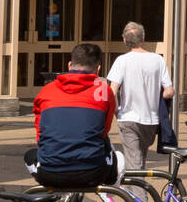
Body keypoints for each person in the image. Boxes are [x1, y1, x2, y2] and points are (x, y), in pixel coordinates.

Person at [26, 43, 120, 188]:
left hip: (49, 172)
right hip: (92, 172)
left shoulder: (46, 91)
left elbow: (40, 134)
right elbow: (104, 131)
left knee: (29, 155)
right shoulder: (103, 91)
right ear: (98, 68)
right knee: (110, 151)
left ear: (69, 65)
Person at [107, 21, 174, 172]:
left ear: (124, 40)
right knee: (139, 161)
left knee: (134, 167)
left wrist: (117, 112)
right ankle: (138, 194)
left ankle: (138, 196)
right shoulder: (158, 60)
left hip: (128, 118)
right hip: (151, 120)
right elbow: (169, 91)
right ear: (143, 38)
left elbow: (112, 91)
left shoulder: (122, 61)